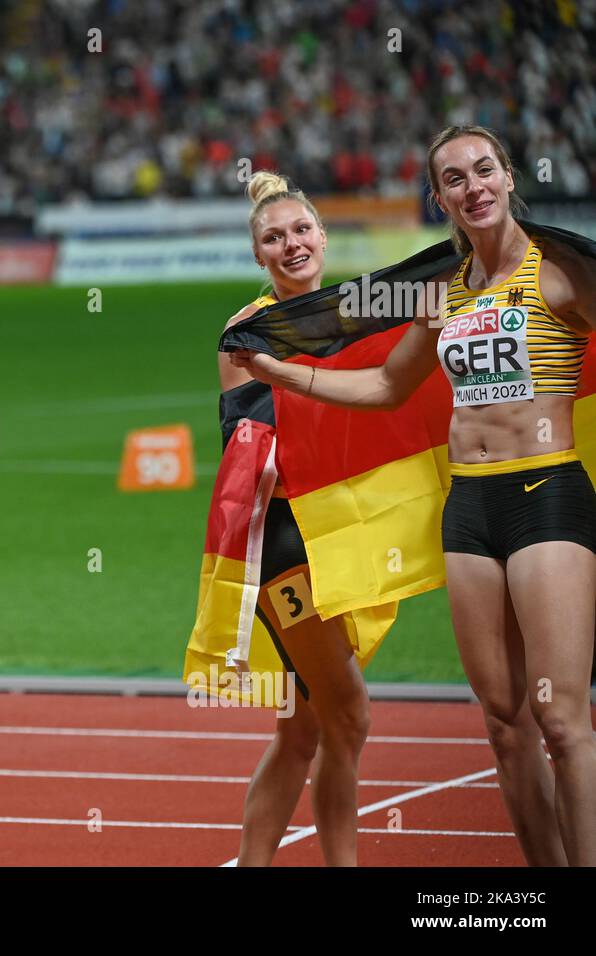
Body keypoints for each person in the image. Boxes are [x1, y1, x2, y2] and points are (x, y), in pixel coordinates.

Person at [234, 126, 596, 865]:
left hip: (547, 493)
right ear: (440, 198)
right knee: (502, 722)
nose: (474, 186)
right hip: (468, 511)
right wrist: (282, 374)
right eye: (455, 178)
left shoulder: (561, 272)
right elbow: (387, 386)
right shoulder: (444, 293)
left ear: (507, 176)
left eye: (485, 170)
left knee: (560, 719)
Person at [215, 171, 371, 866]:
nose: (291, 244)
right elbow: (252, 442)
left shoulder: (358, 311)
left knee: (303, 730)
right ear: (258, 256)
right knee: (349, 717)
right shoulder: (246, 332)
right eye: (274, 237)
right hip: (285, 540)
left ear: (323, 237)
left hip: (349, 533)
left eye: (301, 230)